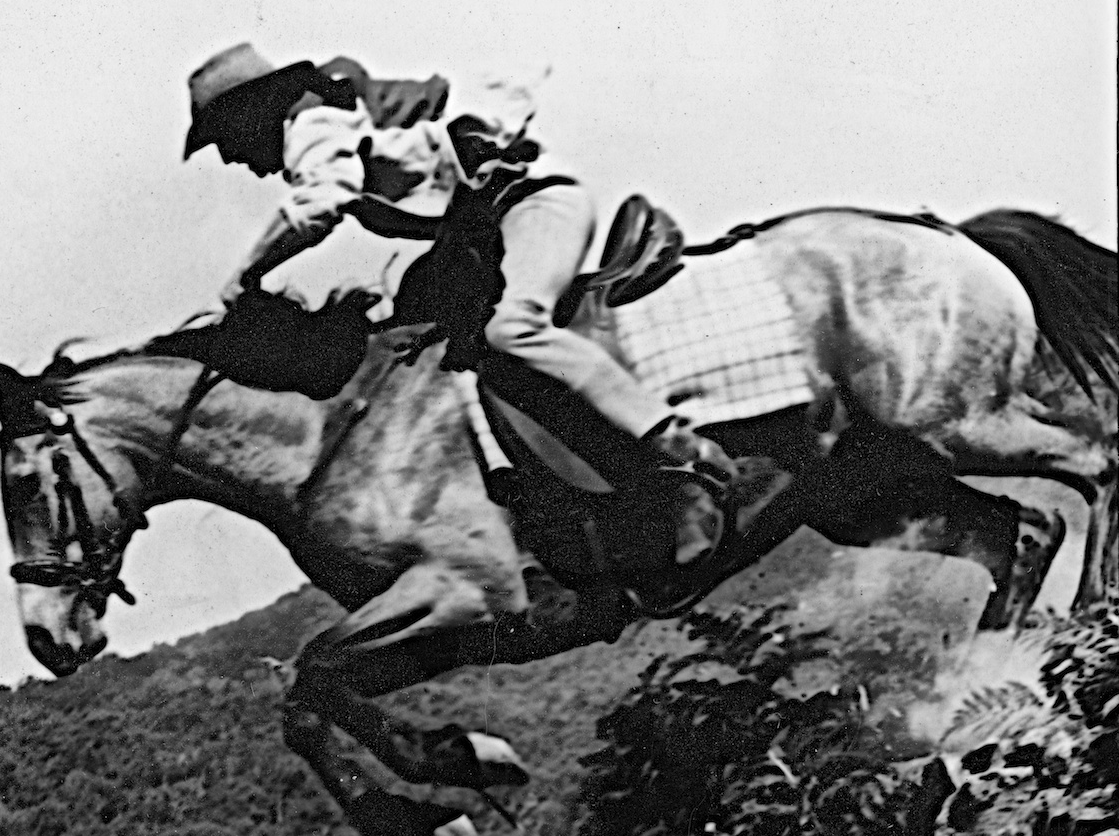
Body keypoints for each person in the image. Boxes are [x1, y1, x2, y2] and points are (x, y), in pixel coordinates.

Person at [181, 41, 733, 566]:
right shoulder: (331, 116)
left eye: (225, 138)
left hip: (532, 206)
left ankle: (675, 445)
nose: (231, 158)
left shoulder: (313, 125)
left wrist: (246, 272)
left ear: (252, 113)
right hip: (479, 234)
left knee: (514, 328)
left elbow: (322, 201)